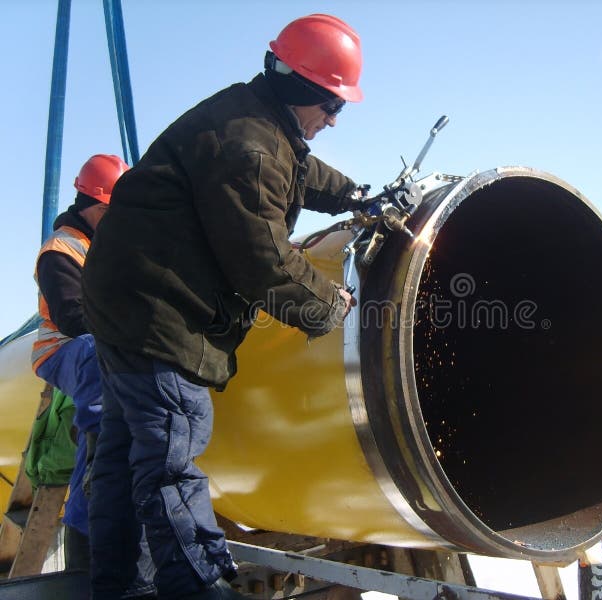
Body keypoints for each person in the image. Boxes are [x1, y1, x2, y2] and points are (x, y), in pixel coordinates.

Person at [82, 13, 368, 600]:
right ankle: (198, 586)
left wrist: (357, 195)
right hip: (158, 313)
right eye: (332, 106)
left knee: (121, 454)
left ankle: (118, 586)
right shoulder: (249, 146)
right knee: (169, 453)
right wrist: (329, 306)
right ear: (302, 91)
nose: (333, 120)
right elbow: (262, 262)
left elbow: (299, 172)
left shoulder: (252, 119)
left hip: (123, 302)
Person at [31, 154, 130, 570]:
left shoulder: (107, 245)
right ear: (99, 206)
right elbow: (72, 318)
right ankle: (97, 478)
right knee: (97, 356)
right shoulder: (61, 250)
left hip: (105, 344)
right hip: (65, 351)